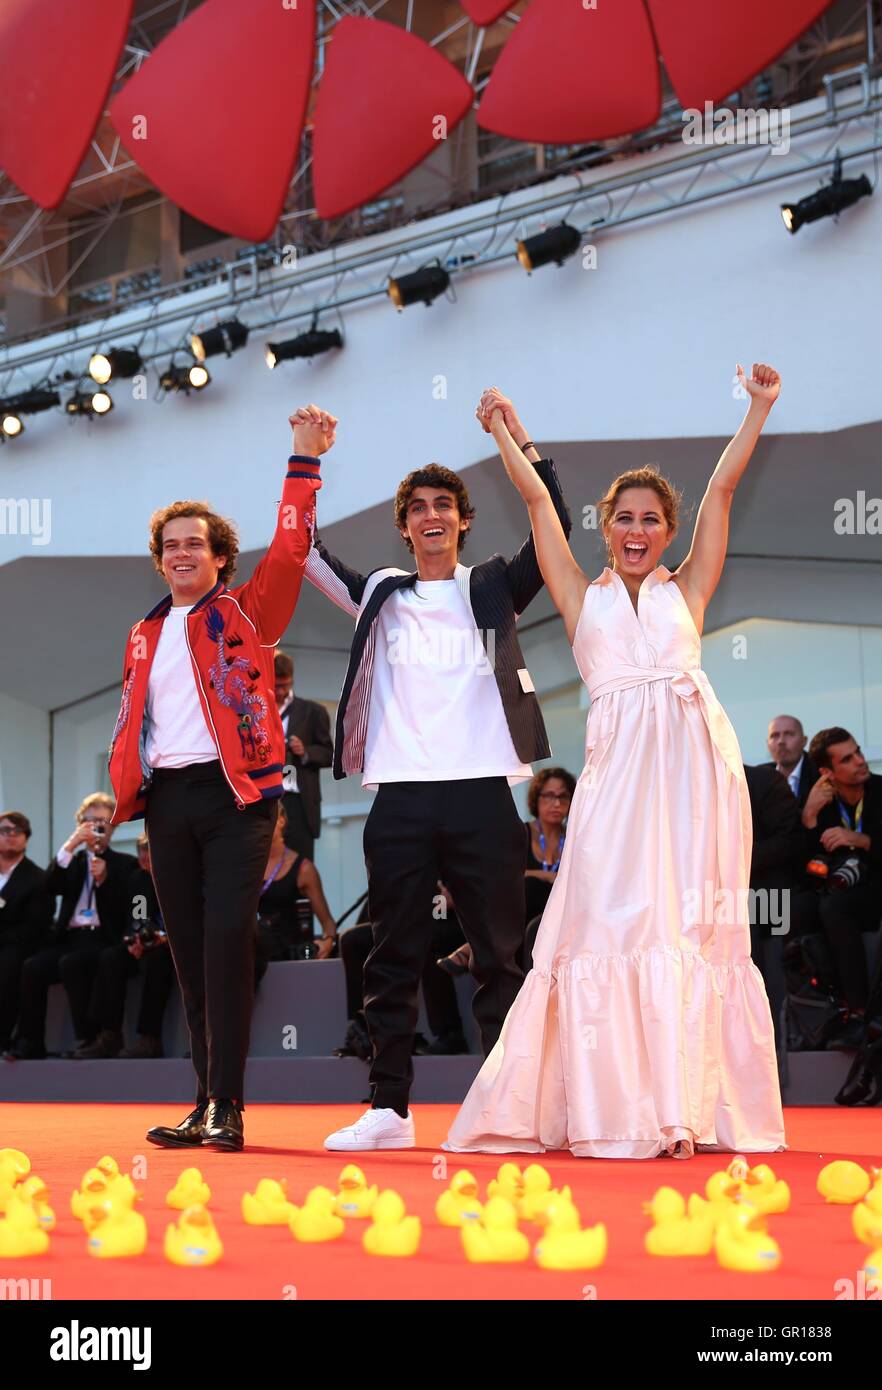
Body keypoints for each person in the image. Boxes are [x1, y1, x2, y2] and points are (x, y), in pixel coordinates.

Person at [445, 367, 787, 1159]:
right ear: (606, 525)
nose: (637, 530)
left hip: (697, 779)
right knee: (605, 922)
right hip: (616, 779)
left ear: (667, 530)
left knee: (689, 929)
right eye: (624, 518)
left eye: (652, 519)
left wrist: (759, 408)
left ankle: (685, 1114)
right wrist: (504, 425)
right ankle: (621, 1109)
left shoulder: (690, 589)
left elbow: (724, 492)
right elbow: (536, 503)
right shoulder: (578, 592)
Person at [300, 397, 571, 1151]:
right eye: (416, 508)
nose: (430, 516)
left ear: (462, 519)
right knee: (392, 952)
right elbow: (303, 551)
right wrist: (308, 458)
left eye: (443, 505)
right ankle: (389, 1108)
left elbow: (557, 524)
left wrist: (516, 435)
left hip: (485, 795)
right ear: (403, 525)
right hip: (402, 801)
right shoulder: (380, 597)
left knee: (499, 954)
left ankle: (506, 1105)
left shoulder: (493, 588)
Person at [106, 407, 325, 1151]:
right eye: (170, 546)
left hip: (239, 801)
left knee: (229, 938)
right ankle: (203, 1100)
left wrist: (302, 461)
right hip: (167, 803)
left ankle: (228, 1102)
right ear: (158, 558)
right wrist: (123, 791)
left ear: (220, 557)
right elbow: (135, 721)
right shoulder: (143, 632)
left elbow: (293, 551)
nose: (180, 554)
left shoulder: (246, 614)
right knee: (190, 949)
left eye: (194, 544)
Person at [5, 794, 136, 1060]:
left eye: (102, 821)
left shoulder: (126, 863)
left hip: (104, 936)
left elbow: (134, 906)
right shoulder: (72, 863)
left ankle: (91, 1037)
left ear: (114, 826)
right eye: (89, 822)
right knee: (33, 966)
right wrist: (70, 845)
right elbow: (49, 886)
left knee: (73, 963)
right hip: (70, 937)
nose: (96, 827)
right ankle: (30, 1040)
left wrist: (105, 882)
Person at [438, 766, 577, 975]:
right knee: (528, 887)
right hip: (521, 909)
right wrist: (545, 875)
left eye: (563, 797)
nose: (556, 803)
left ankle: (475, 946)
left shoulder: (575, 838)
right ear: (536, 798)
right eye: (549, 796)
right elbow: (500, 875)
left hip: (560, 911)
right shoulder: (521, 833)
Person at [799, 727, 882, 1046]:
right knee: (791, 909)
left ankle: (859, 1009)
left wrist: (862, 840)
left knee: (834, 906)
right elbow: (807, 866)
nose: (860, 761)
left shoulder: (879, 790)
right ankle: (821, 1009)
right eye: (847, 759)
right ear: (826, 772)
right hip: (841, 890)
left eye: (858, 752)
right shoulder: (822, 800)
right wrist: (808, 816)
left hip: (873, 887)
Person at [72, 833, 176, 1059]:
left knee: (159, 959)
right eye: (142, 851)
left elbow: (189, 918)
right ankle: (109, 1035)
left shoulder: (182, 877)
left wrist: (164, 937)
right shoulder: (140, 879)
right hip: (150, 942)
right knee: (111, 957)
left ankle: (150, 1038)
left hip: (178, 944)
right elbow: (139, 916)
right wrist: (137, 937)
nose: (146, 857)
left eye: (151, 850)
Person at [254, 802, 338, 976]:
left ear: (281, 821)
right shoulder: (250, 866)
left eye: (266, 820)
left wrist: (328, 942)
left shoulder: (303, 869)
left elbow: (328, 922)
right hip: (255, 952)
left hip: (288, 952)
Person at [0, 811, 53, 1054]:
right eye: (4, 831)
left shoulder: (37, 878)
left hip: (18, 947)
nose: (10, 836)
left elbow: (35, 926)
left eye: (16, 831)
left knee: (9, 968)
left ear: (26, 838)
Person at [273, 651, 334, 860]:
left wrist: (305, 751)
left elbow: (329, 754)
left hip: (298, 800)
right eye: (276, 686)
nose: (281, 691)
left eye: (285, 685)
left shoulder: (312, 711)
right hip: (266, 796)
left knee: (300, 863)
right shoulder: (257, 710)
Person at [764, 715, 819, 808]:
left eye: (789, 734)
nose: (781, 741)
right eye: (775, 735)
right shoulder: (761, 777)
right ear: (767, 744)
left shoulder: (819, 774)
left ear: (804, 741)